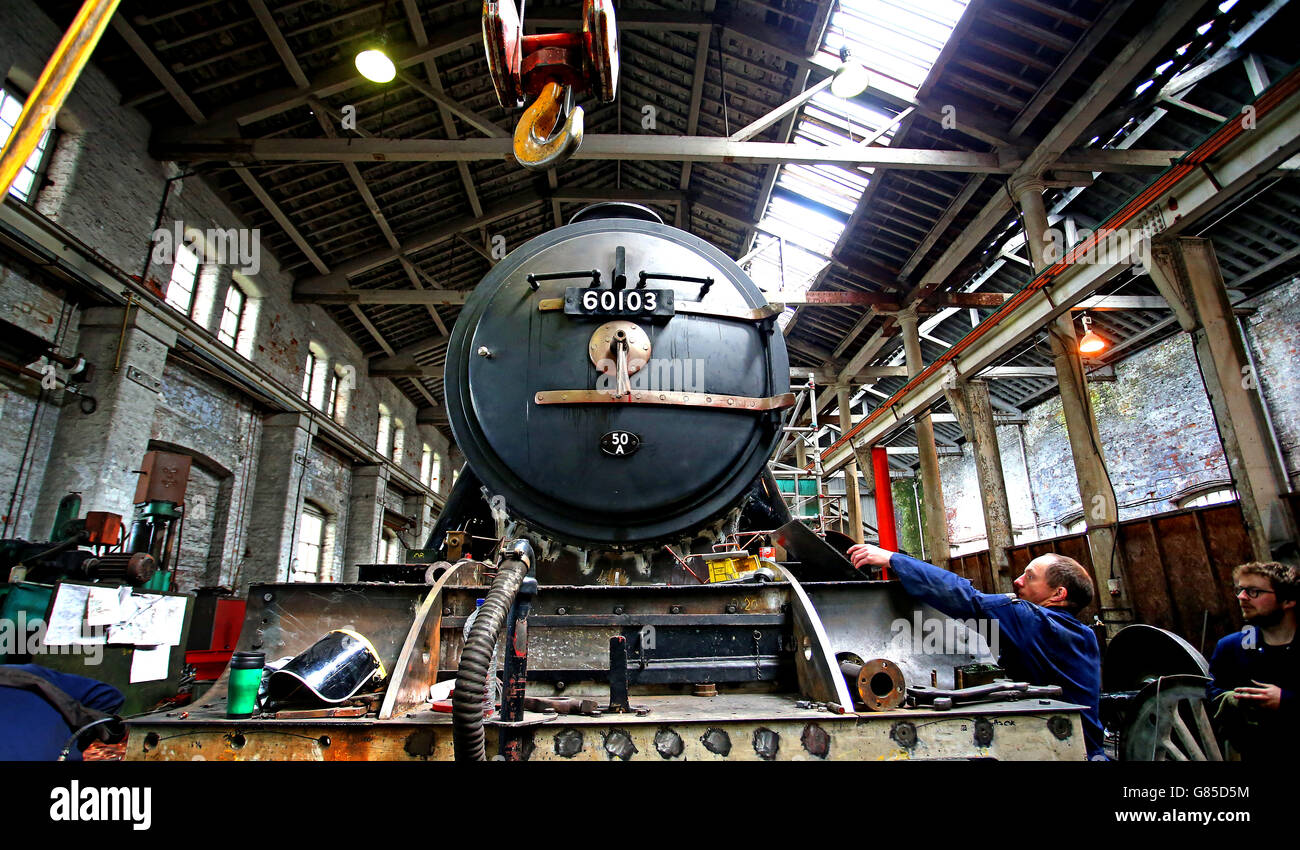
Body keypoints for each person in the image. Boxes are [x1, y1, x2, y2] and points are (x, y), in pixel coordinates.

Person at [848, 543, 1105, 760]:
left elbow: (966, 598)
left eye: (1030, 576)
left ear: (1059, 593)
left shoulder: (1030, 620)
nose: (1017, 581)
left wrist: (892, 559)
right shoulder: (1086, 635)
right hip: (1089, 749)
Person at [1207, 560, 1298, 761]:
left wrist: (1284, 700)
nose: (1241, 597)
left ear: (1288, 600)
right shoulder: (1231, 647)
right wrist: (1231, 700)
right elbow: (1213, 691)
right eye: (1240, 590)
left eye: (1253, 591)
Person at [0, 663, 125, 760]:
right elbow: (108, 697)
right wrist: (69, 744)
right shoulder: (20, 674)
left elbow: (107, 697)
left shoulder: (20, 675)